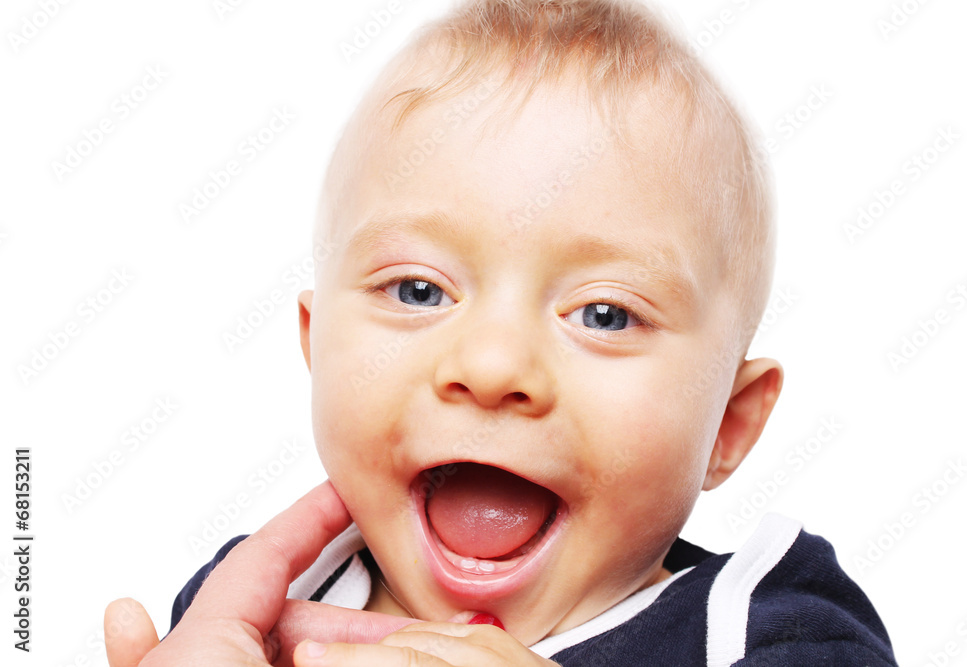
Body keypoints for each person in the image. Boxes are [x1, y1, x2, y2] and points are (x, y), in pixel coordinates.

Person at [104, 0, 897, 664]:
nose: (491, 365)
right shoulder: (254, 604)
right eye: (418, 290)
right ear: (317, 348)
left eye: (605, 313)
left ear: (729, 421)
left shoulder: (770, 631)